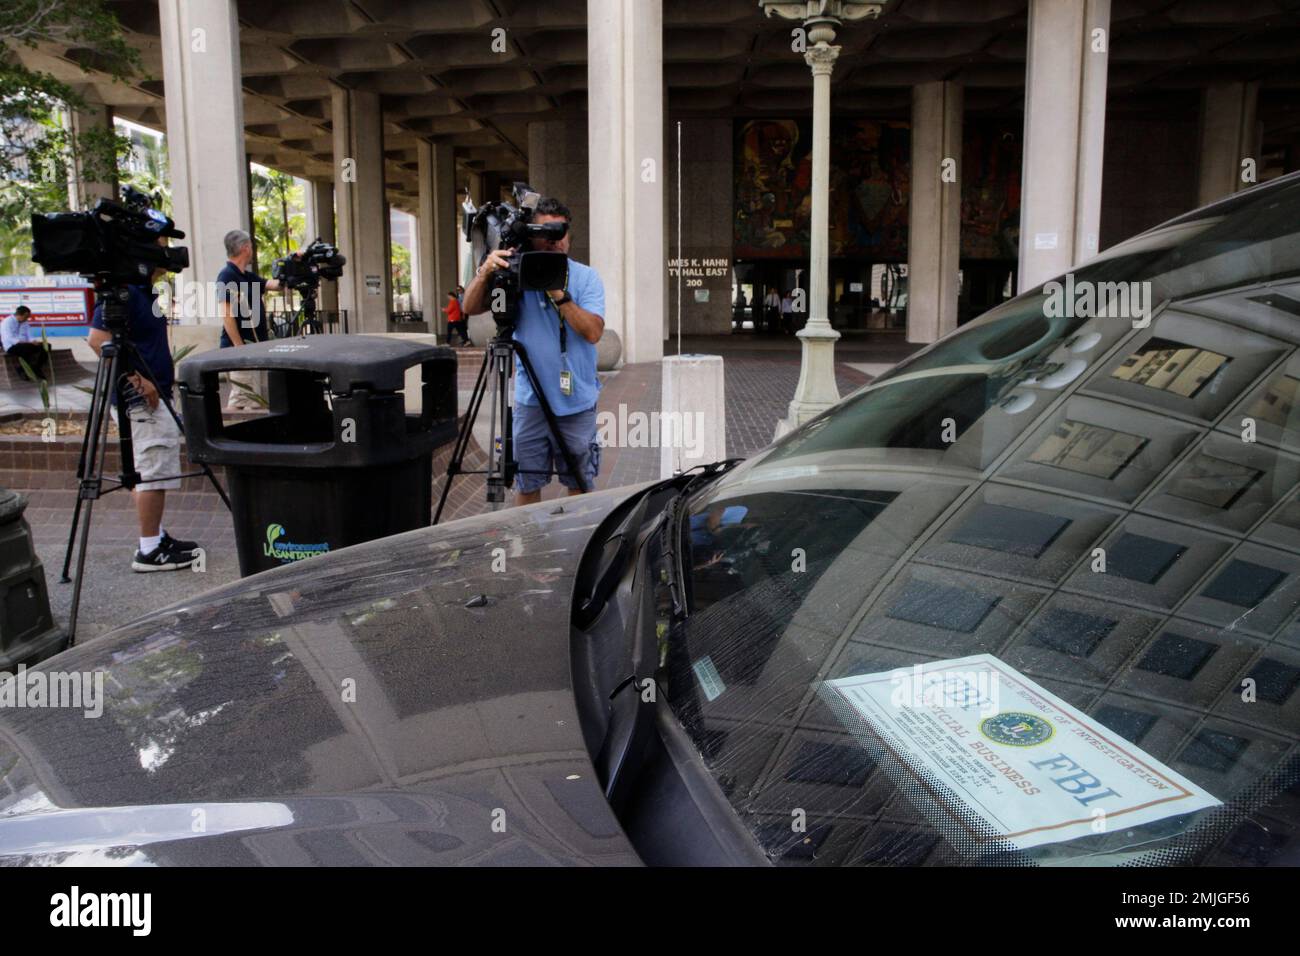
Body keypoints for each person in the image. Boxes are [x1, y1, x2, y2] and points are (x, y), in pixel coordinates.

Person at [461, 196, 605, 507]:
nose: (554, 241)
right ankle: (527, 548)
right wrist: (486, 272)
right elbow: (470, 307)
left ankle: (576, 546)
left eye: (560, 232)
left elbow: (593, 332)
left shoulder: (586, 277)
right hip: (531, 404)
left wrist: (557, 291)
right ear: (531, 235)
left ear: (569, 234)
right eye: (545, 233)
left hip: (576, 402)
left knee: (579, 483)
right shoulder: (516, 275)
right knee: (527, 485)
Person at [88, 245, 202, 572]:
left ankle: (155, 536)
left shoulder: (143, 291)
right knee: (152, 470)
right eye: (161, 249)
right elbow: (97, 339)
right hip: (139, 400)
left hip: (153, 395)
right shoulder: (124, 290)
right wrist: (136, 380)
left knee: (150, 469)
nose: (169, 257)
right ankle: (149, 550)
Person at [216, 229, 286, 410]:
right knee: (244, 400)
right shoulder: (227, 275)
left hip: (253, 348)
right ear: (245, 248)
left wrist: (290, 270)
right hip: (240, 350)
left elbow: (275, 285)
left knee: (250, 400)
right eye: (252, 247)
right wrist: (239, 346)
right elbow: (227, 314)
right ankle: (230, 434)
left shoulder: (247, 276)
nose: (253, 251)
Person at [1, 306, 50, 380]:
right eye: (26, 316)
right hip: (12, 346)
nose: (27, 318)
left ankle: (36, 368)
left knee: (47, 346)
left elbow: (30, 335)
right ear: (19, 315)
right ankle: (23, 370)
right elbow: (10, 338)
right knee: (26, 348)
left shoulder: (25, 322)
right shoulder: (7, 322)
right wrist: (27, 342)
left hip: (25, 344)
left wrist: (33, 341)